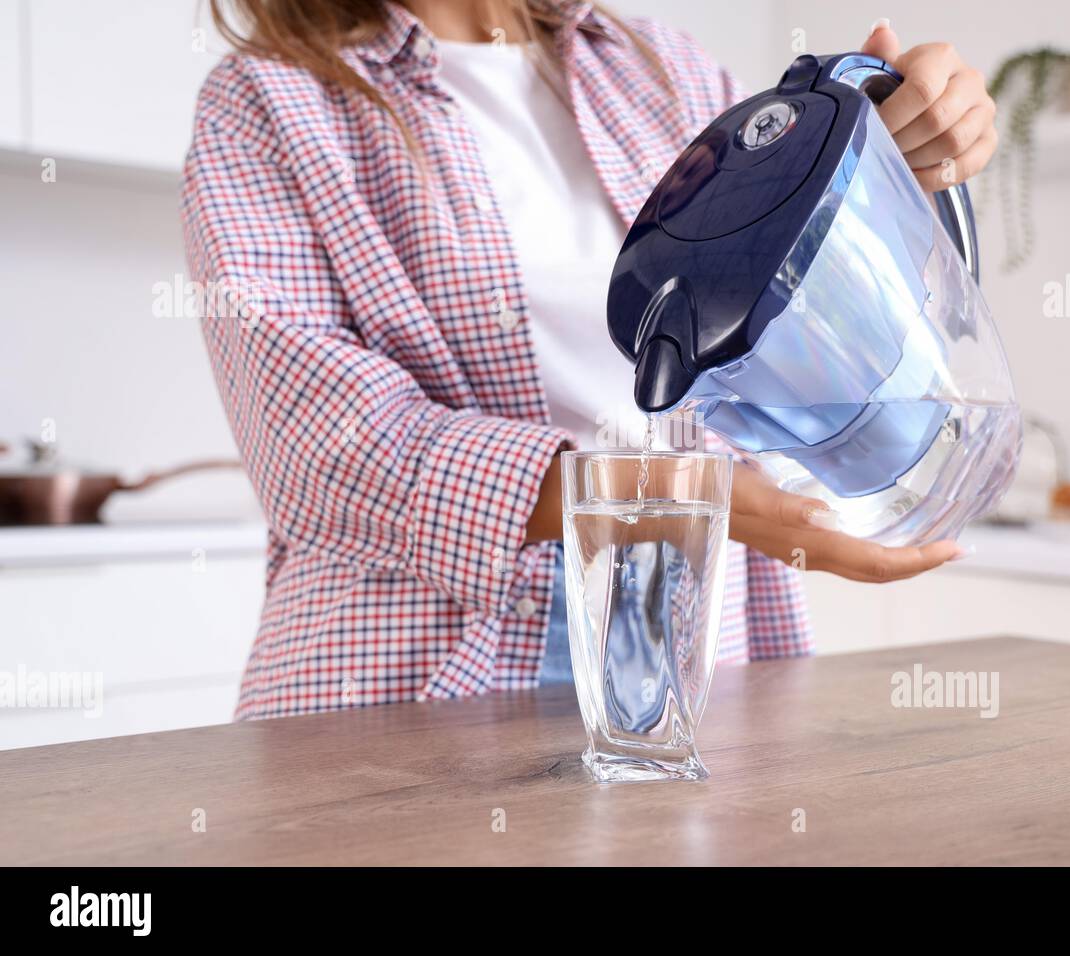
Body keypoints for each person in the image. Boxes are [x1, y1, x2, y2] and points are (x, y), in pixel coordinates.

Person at [182, 0, 998, 718]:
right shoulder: (266, 100)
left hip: (697, 659)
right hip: (410, 688)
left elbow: (797, 314)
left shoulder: (665, 73)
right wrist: (665, 495)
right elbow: (324, 449)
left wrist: (888, 167)